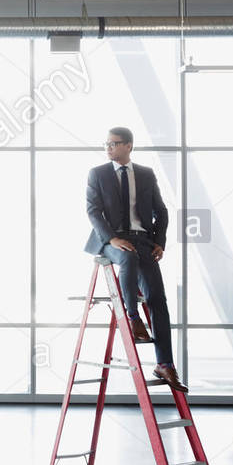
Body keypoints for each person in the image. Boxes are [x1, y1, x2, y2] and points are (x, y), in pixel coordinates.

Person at [84, 127, 185, 391]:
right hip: (110, 241)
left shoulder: (145, 174)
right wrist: (112, 239)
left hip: (142, 240)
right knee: (127, 259)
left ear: (129, 145)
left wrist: (159, 243)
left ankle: (165, 364)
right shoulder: (98, 174)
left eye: (114, 144)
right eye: (106, 143)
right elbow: (93, 212)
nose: (108, 148)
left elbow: (161, 212)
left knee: (157, 300)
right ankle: (133, 318)